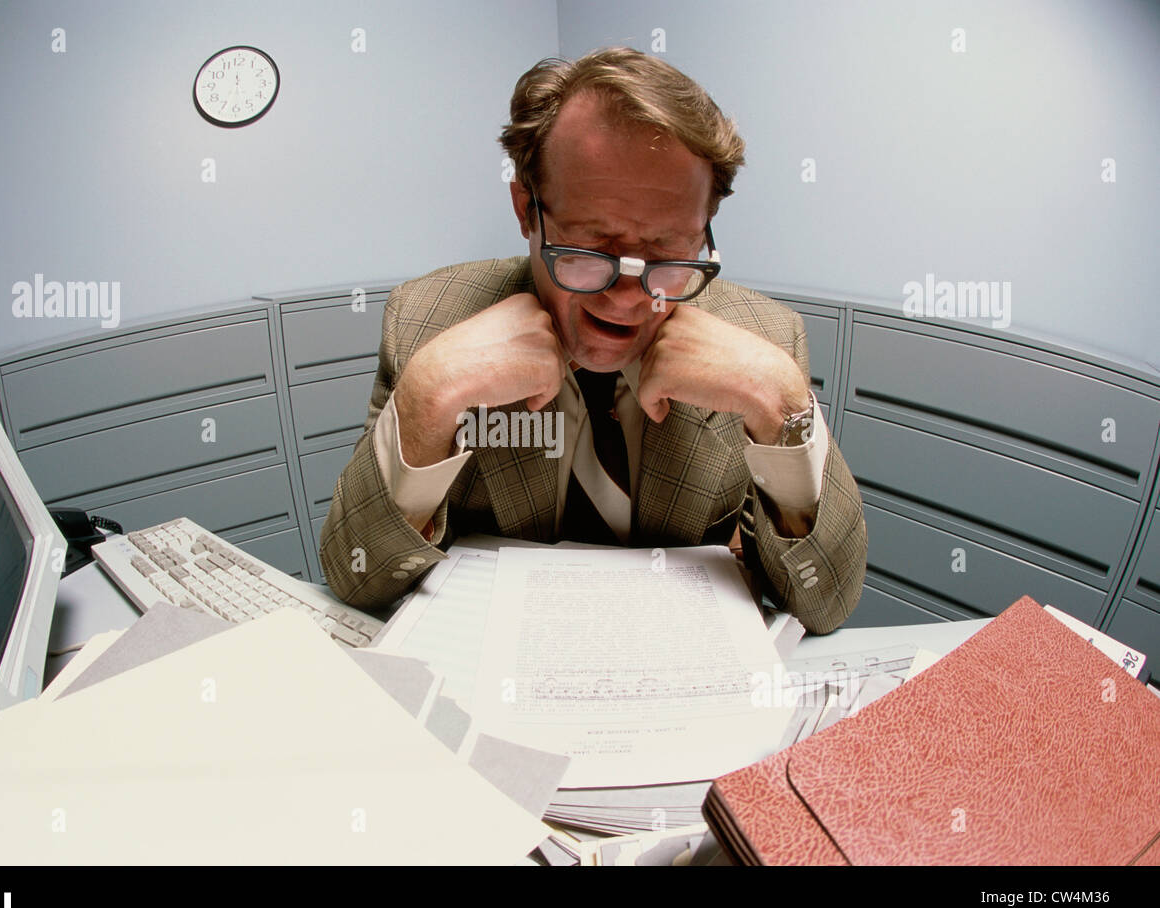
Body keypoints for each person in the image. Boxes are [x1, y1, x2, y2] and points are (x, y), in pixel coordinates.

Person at [320, 47, 866, 634]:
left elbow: (826, 604)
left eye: (668, 253)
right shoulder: (424, 319)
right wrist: (427, 397)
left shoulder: (768, 339)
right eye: (590, 249)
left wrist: (780, 401)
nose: (628, 296)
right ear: (527, 209)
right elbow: (359, 581)